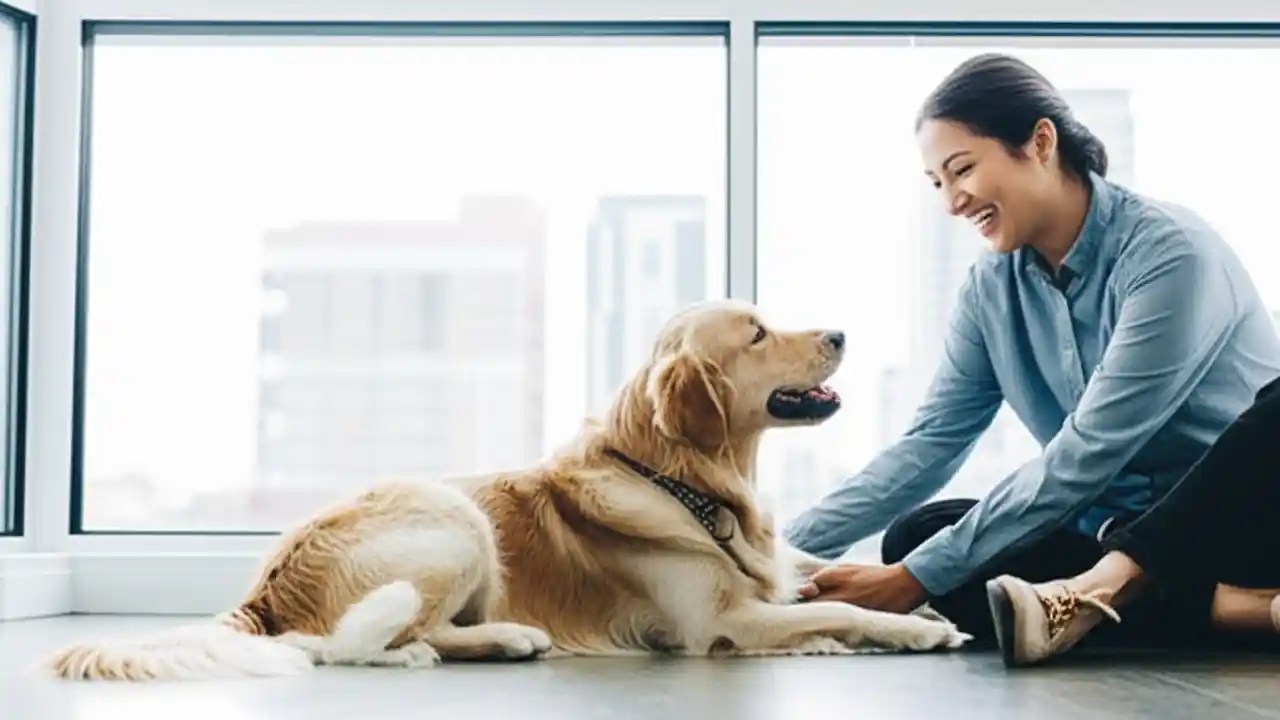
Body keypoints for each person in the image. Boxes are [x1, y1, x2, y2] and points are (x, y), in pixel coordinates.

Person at [783, 52, 1280, 647]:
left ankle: (1159, 604)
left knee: (928, 569)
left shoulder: (1171, 255)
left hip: (1238, 526)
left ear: (1041, 142)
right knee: (919, 537)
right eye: (938, 183)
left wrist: (914, 580)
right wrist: (774, 557)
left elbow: (1086, 454)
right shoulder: (990, 289)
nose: (952, 201)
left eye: (963, 169)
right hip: (1106, 536)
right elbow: (931, 443)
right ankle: (1225, 611)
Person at [987, 373, 1280, 666]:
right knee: (977, 542)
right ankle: (1105, 588)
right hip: (1193, 537)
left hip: (1200, 560)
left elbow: (1086, 450)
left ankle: (1092, 590)